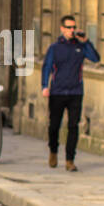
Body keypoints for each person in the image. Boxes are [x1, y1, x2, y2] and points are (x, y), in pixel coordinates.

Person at [42, 14, 100, 171]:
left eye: (74, 27)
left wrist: (86, 41)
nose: (72, 30)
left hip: (75, 91)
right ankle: (53, 150)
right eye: (69, 27)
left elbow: (95, 58)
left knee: (73, 126)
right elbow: (47, 67)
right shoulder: (55, 48)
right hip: (58, 92)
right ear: (62, 29)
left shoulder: (80, 46)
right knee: (54, 126)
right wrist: (44, 86)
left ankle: (69, 159)